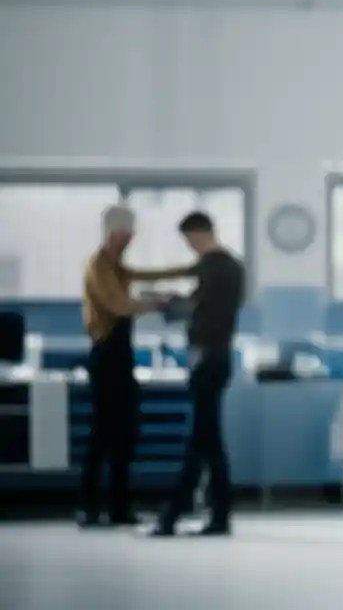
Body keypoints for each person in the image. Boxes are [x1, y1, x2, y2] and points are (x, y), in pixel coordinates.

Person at [78, 204, 191, 527]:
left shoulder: (118, 266)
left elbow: (147, 275)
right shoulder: (98, 265)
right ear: (112, 233)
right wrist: (157, 302)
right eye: (125, 235)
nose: (129, 241)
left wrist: (187, 270)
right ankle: (88, 508)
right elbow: (119, 304)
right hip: (106, 357)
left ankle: (118, 508)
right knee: (102, 435)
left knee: (125, 435)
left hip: (121, 358)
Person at [150, 211, 245, 537]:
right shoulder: (233, 267)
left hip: (207, 358)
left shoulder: (211, 266)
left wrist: (169, 305)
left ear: (200, 233)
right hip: (219, 357)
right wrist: (182, 302)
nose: (190, 247)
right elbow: (208, 307)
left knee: (201, 441)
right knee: (207, 441)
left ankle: (172, 516)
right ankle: (212, 516)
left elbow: (202, 313)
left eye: (190, 240)